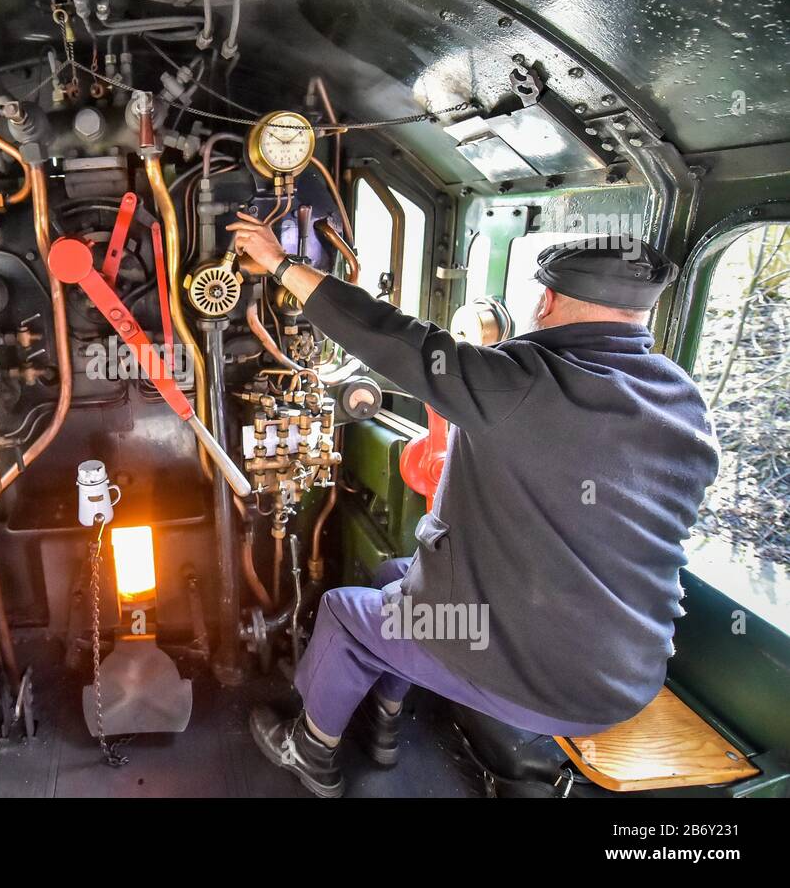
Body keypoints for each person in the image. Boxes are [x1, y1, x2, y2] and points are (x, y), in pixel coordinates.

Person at [227, 213, 720, 797]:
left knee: (343, 613)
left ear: (546, 301)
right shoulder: (683, 399)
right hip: (629, 671)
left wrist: (280, 263)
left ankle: (311, 752)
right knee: (393, 578)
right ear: (642, 315)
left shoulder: (519, 381)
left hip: (541, 681)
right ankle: (383, 723)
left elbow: (390, 336)